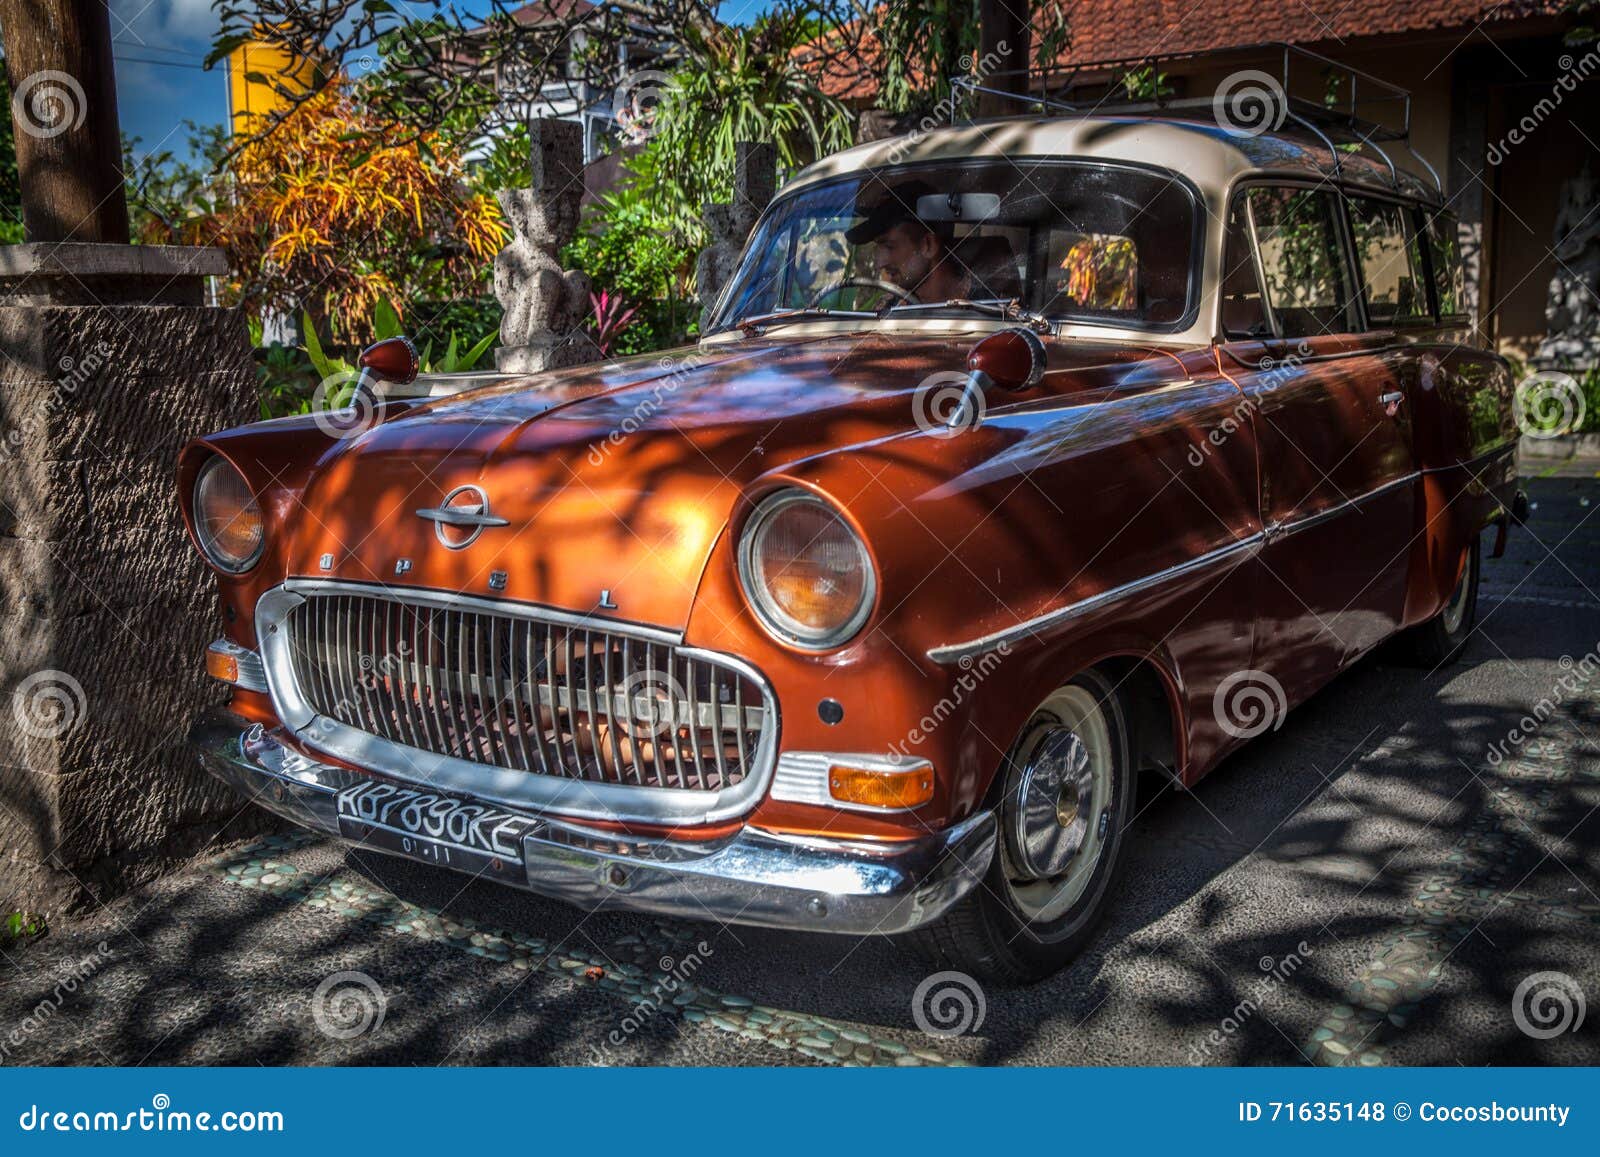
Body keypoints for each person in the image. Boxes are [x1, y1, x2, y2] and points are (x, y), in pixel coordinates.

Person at [845, 184, 969, 305]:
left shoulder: (985, 306)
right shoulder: (893, 310)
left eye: (889, 246)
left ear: (929, 245)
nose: (879, 263)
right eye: (878, 248)